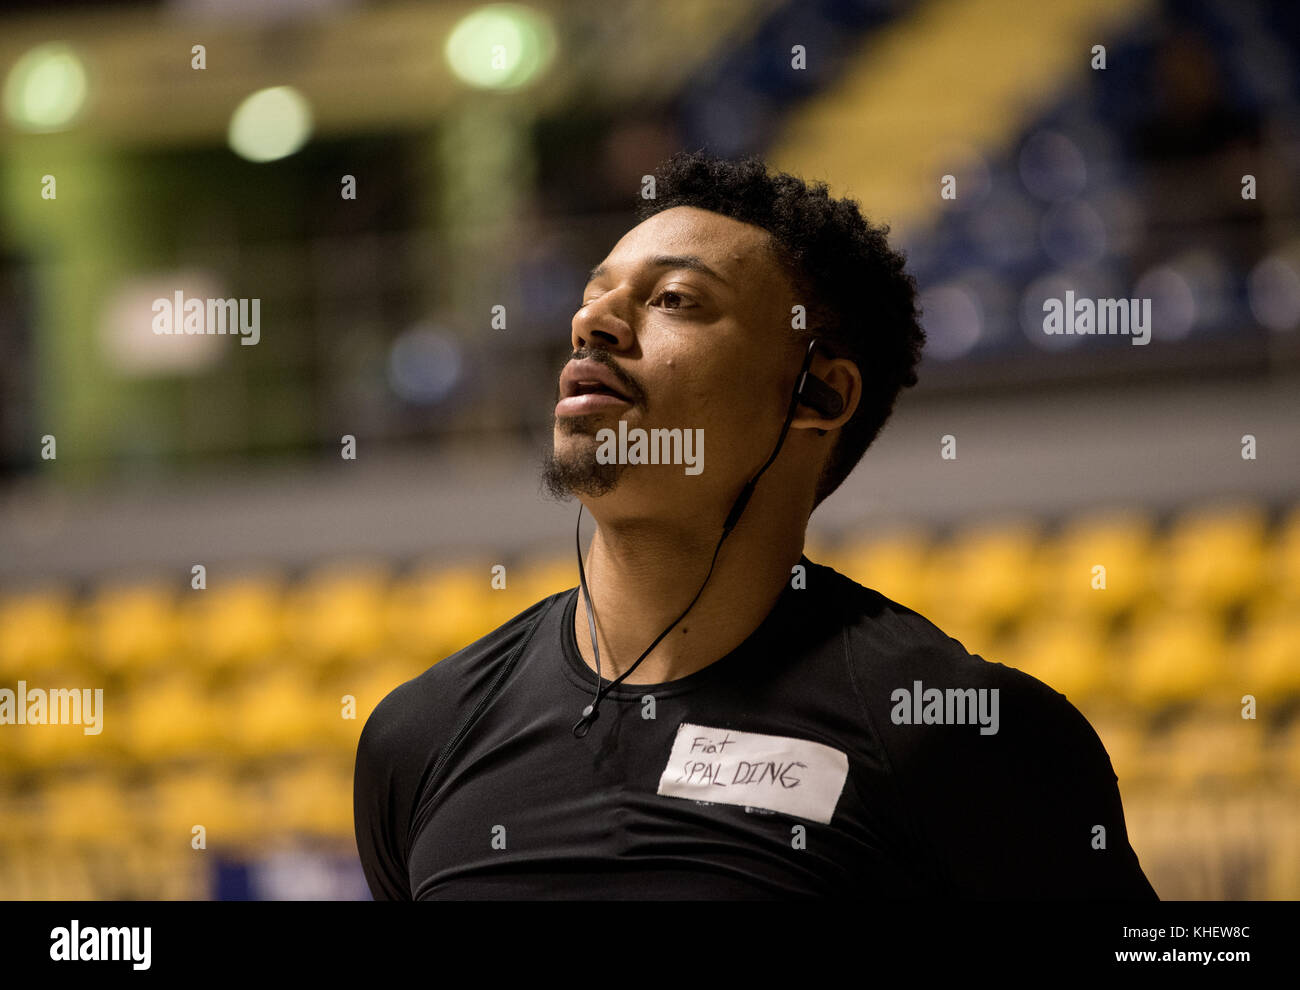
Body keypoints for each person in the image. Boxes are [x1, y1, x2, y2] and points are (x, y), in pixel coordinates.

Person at [354, 150, 1158, 900]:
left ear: (820, 395)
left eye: (674, 299)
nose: (593, 324)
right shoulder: (420, 735)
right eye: (593, 294)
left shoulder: (955, 735)